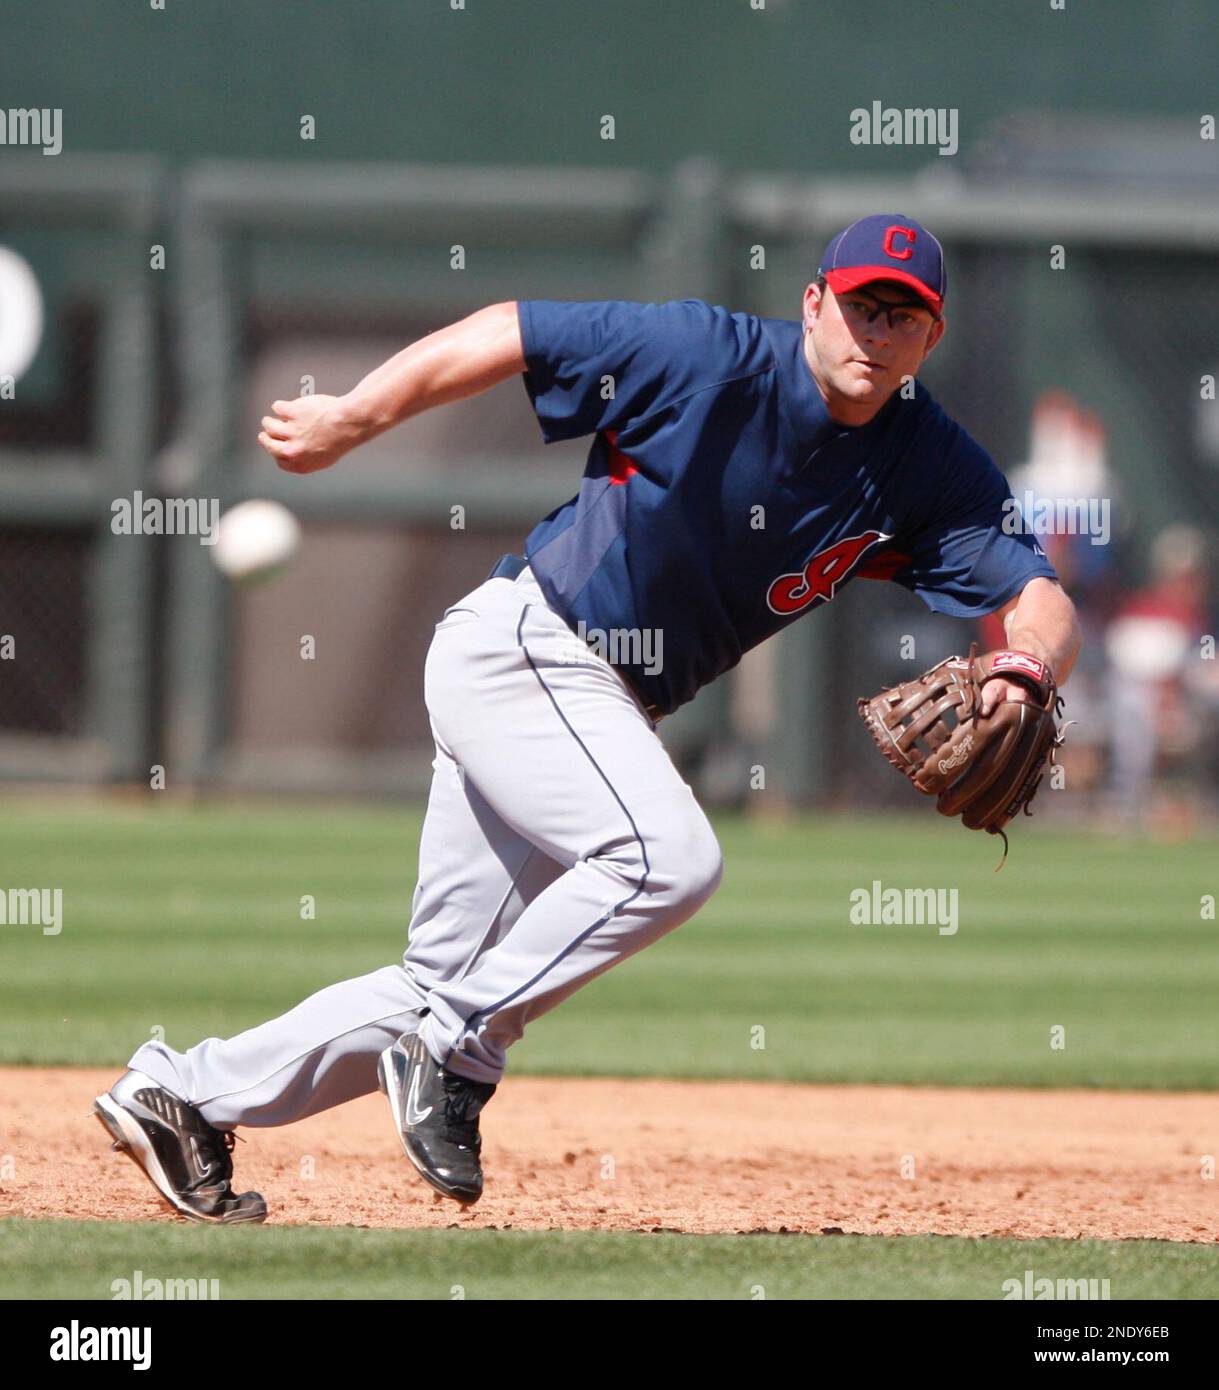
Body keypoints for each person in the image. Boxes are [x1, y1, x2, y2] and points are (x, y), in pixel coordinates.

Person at [94, 214, 1081, 1222]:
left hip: (593, 697)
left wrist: (1021, 673)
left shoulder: (928, 463)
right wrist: (354, 416)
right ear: (813, 303)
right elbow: (509, 329)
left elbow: (1036, 595)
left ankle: (181, 1094)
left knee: (440, 980)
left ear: (932, 337)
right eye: (863, 303)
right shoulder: (707, 357)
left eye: (904, 316)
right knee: (667, 861)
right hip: (530, 644)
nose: (878, 331)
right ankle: (455, 1053)